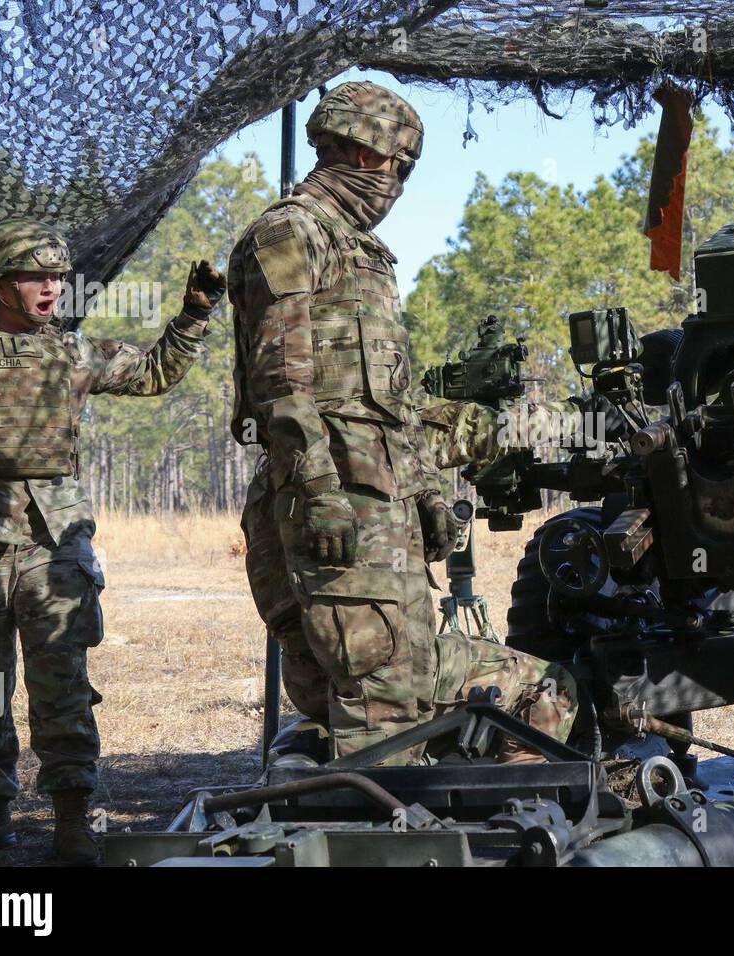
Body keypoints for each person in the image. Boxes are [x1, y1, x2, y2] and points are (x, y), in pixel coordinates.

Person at [230, 82, 576, 764]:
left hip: (370, 522)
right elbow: (282, 387)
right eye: (402, 167)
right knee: (383, 725)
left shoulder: (356, 251)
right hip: (344, 523)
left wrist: (445, 475)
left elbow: (389, 413)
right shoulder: (293, 233)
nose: (400, 186)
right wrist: (323, 494)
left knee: (497, 694)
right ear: (365, 152)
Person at [0, 218, 225, 862]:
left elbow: (155, 374)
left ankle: (71, 816)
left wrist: (193, 316)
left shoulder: (72, 353)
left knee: (63, 683)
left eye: (57, 276)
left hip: (54, 548)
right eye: (35, 275)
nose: (52, 288)